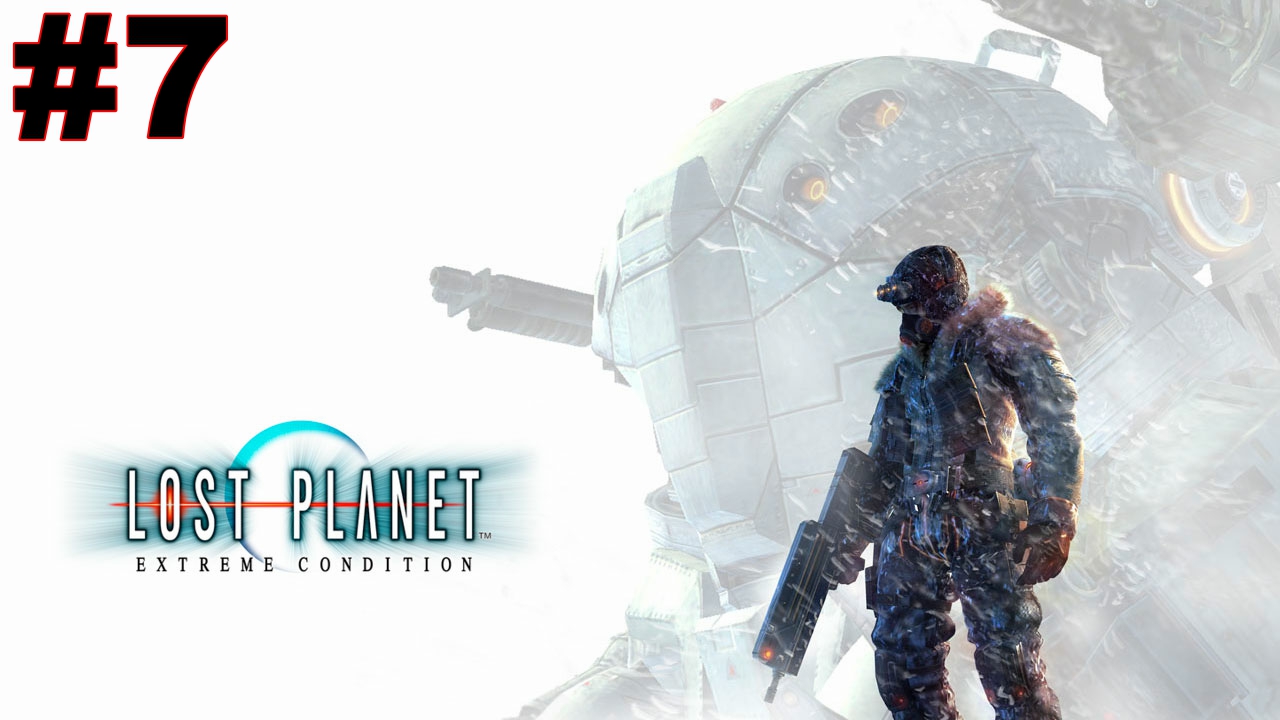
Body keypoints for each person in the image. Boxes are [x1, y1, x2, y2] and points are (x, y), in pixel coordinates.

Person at [836, 245, 1083, 720]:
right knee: (904, 676)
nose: (907, 324)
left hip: (982, 519)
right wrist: (850, 540)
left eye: (913, 308)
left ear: (939, 300)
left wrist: (1056, 513)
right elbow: (883, 467)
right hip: (912, 530)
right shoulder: (902, 376)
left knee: (1011, 670)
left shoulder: (998, 339)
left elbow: (1054, 422)